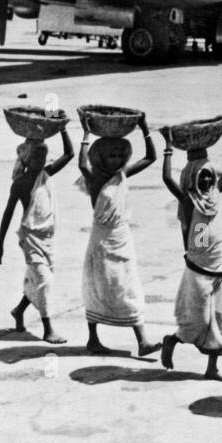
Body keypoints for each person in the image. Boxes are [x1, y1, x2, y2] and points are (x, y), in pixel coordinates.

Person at [78, 116, 161, 356]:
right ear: (101, 157)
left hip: (122, 238)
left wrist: (145, 128)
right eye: (110, 156)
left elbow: (150, 158)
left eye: (118, 156)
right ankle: (92, 339)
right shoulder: (95, 179)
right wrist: (86, 134)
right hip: (102, 240)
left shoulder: (122, 175)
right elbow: (82, 165)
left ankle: (143, 341)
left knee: (129, 286)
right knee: (97, 287)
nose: (115, 160)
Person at [160, 123, 222, 381]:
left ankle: (212, 368)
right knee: (198, 319)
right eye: (201, 175)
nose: (206, 179)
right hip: (198, 269)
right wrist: (168, 147)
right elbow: (168, 179)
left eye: (208, 175)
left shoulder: (216, 194)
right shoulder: (189, 201)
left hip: (219, 267)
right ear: (192, 177)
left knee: (219, 319)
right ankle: (173, 339)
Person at [0, 128, 75, 344]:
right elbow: (8, 213)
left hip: (48, 237)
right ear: (27, 158)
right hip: (30, 238)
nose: (41, 160)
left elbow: (69, 154)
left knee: (38, 279)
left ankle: (19, 310)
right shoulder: (20, 183)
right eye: (36, 156)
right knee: (44, 281)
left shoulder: (46, 174)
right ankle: (48, 329)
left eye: (44, 155)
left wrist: (63, 129)